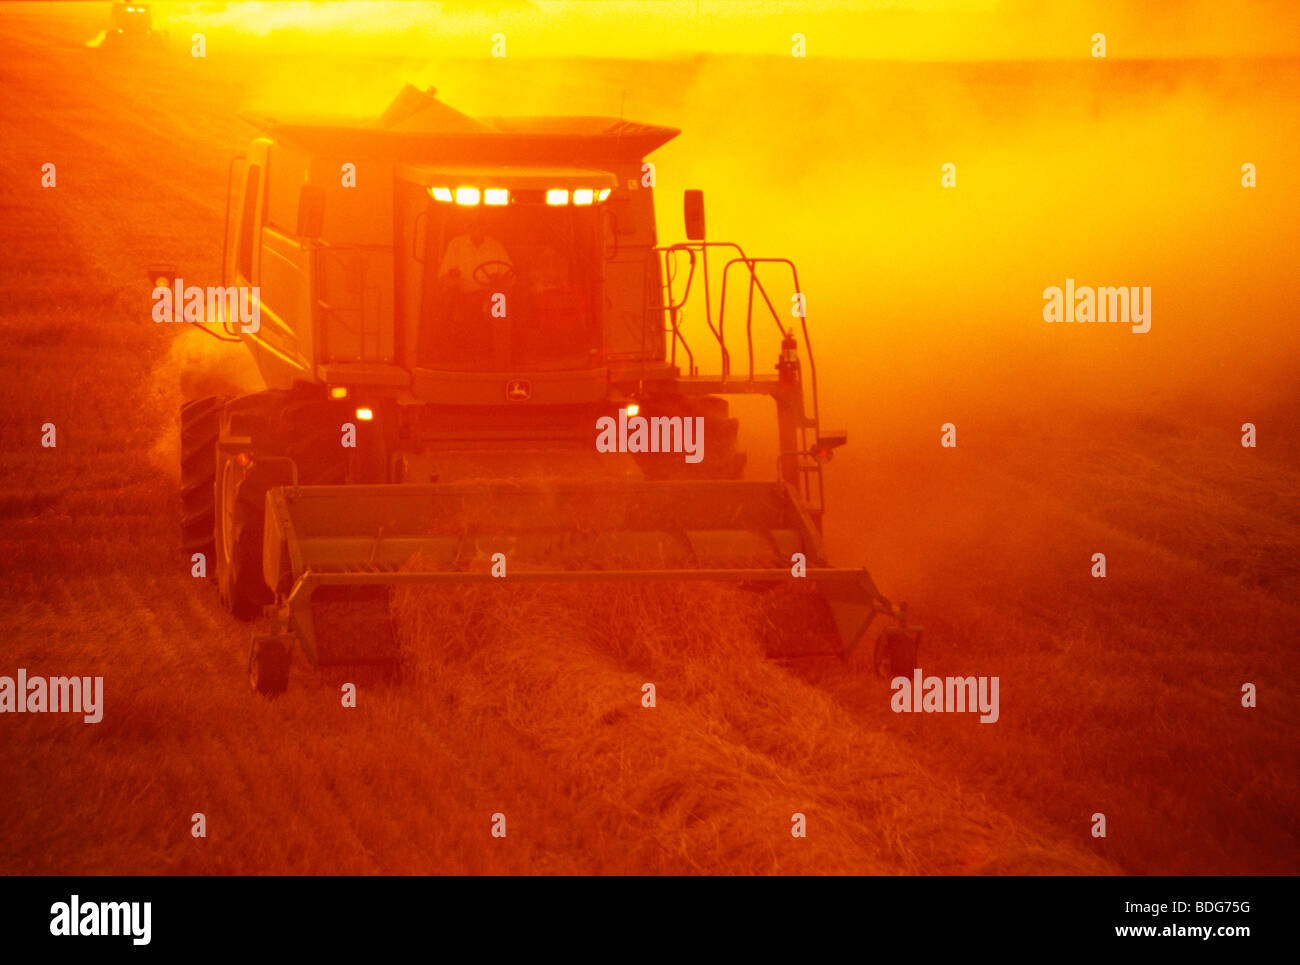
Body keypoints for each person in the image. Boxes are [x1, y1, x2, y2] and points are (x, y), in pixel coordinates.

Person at [438, 217, 512, 295]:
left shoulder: (496, 246)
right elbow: (444, 275)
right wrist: (453, 280)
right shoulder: (456, 244)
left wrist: (500, 281)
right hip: (463, 296)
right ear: (468, 227)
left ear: (486, 227)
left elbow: (509, 274)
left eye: (481, 226)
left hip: (489, 296)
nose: (478, 229)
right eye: (474, 226)